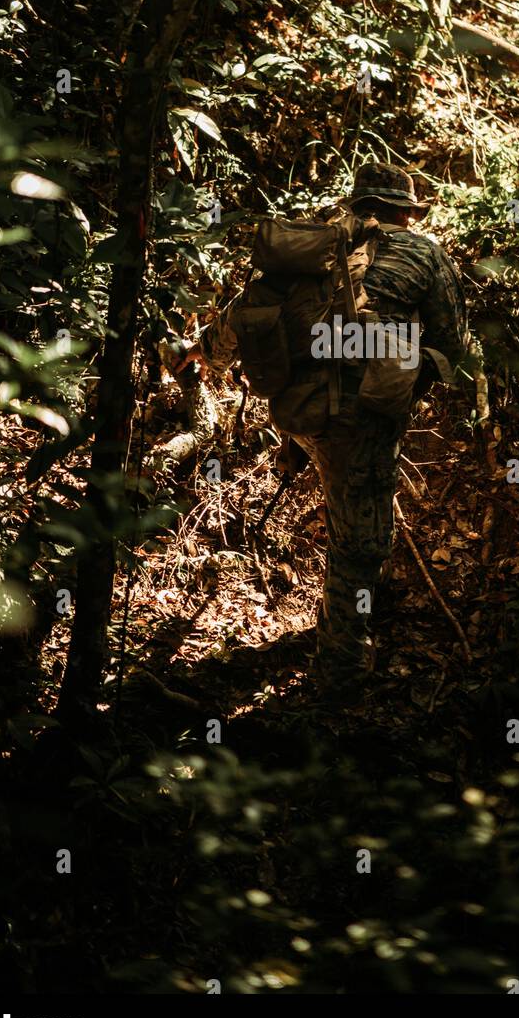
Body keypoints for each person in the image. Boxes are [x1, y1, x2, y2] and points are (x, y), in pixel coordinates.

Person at [185, 164, 483, 692]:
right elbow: (456, 349)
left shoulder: (317, 244)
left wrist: (202, 356)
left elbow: (240, 317)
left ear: (359, 203)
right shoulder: (423, 252)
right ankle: (339, 670)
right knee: (359, 547)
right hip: (359, 416)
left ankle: (368, 604)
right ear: (404, 212)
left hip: (301, 408)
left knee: (356, 507)